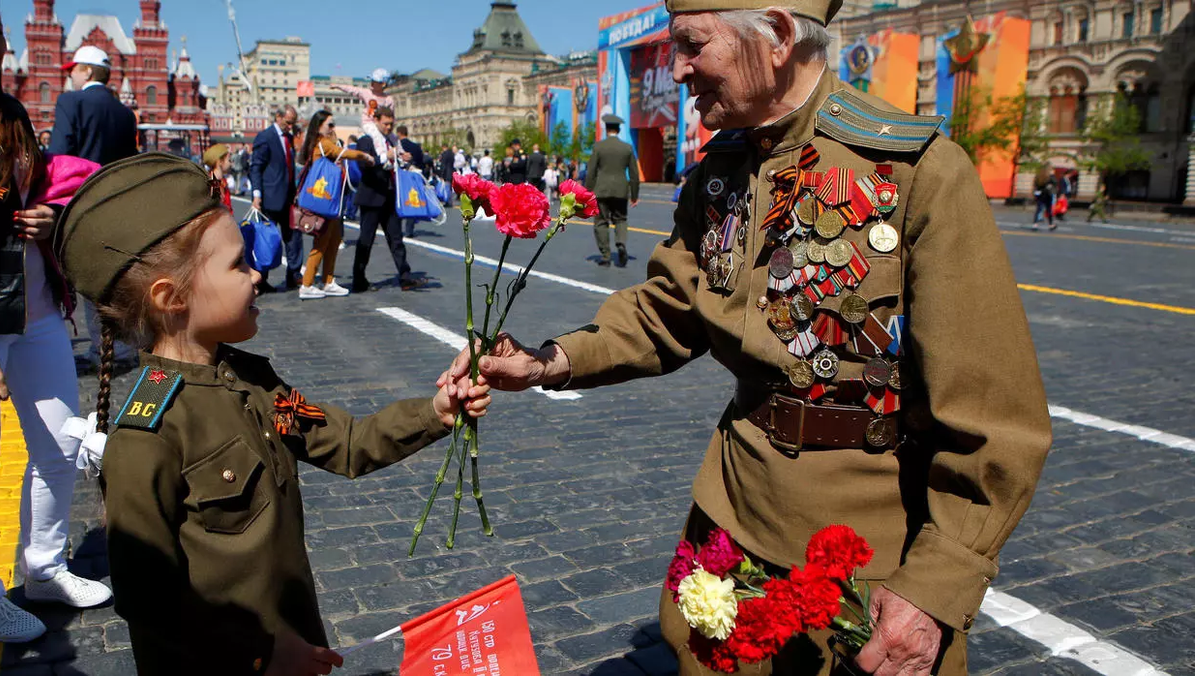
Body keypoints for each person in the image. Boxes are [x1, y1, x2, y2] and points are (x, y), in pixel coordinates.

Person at [445, 3, 1052, 675]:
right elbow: (670, 308)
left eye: (692, 46)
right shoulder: (721, 169)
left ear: (780, 36)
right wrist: (549, 361)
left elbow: (996, 419)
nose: (676, 70)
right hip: (731, 521)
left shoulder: (917, 173)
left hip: (865, 556)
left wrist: (939, 584)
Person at [54, 152, 489, 676]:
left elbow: (346, 442)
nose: (259, 273)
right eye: (238, 264)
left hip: (291, 645)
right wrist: (255, 651)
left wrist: (436, 411)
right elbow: (148, 598)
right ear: (172, 298)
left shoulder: (252, 379)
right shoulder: (149, 434)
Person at [0, 9, 114, 641]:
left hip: (37, 312)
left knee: (59, 448)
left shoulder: (11, 114)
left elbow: (46, 189)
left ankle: (42, 567)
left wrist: (51, 219)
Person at [49, 43, 140, 367]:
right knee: (116, 276)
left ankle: (102, 350)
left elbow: (59, 154)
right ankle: (125, 348)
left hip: (81, 204)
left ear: (86, 70)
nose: (71, 76)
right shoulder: (124, 113)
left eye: (73, 69)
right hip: (117, 204)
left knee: (86, 279)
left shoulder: (70, 102)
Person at [296, 110, 374, 300]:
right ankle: (307, 284)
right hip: (324, 200)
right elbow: (343, 152)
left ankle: (328, 280)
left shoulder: (321, 142)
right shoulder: (323, 144)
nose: (333, 128)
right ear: (319, 126)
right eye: (330, 125)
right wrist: (364, 156)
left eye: (333, 124)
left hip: (327, 200)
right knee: (322, 242)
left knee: (332, 240)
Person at [352, 109, 428, 292]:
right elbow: (363, 164)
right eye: (385, 124)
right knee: (366, 240)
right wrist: (385, 157)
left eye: (391, 124)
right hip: (371, 197)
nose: (388, 127)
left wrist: (403, 158)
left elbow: (397, 162)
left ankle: (405, 277)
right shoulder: (366, 139)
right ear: (376, 120)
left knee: (396, 239)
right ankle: (359, 278)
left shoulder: (393, 141)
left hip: (389, 196)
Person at [250, 105, 303, 293]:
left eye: (293, 123)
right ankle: (262, 279)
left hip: (289, 197)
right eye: (288, 122)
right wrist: (256, 195)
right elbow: (256, 167)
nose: (290, 126)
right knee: (268, 240)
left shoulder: (288, 138)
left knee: (294, 236)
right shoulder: (265, 137)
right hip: (270, 198)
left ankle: (294, 273)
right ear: (278, 117)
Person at [585, 113, 640, 267]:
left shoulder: (598, 147)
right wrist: (634, 195)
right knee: (621, 219)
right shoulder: (627, 148)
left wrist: (588, 192)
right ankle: (620, 243)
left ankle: (605, 255)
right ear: (618, 129)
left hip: (601, 190)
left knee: (601, 222)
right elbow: (634, 174)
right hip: (621, 190)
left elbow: (591, 172)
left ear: (606, 128)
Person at [331, 69, 398, 170]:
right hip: (369, 123)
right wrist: (338, 86)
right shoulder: (367, 93)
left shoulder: (388, 99)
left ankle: (401, 159)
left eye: (374, 81)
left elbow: (391, 116)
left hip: (381, 125)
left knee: (394, 139)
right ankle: (384, 159)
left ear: (383, 84)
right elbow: (353, 90)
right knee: (377, 137)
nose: (371, 83)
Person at [393, 124, 426, 238]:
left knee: (399, 200)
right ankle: (409, 230)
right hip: (413, 176)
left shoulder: (396, 146)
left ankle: (396, 228)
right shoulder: (415, 146)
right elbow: (422, 162)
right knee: (412, 200)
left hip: (400, 176)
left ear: (399, 133)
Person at [202, 144, 234, 211]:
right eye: (229, 160)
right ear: (220, 162)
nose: (231, 163)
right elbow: (216, 209)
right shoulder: (214, 182)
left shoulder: (221, 180)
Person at [1032, 165, 1056, 231]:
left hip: (1040, 194)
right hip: (1047, 195)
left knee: (1038, 210)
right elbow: (1055, 183)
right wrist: (1052, 175)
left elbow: (1036, 185)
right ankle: (1051, 225)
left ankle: (1035, 224)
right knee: (1049, 210)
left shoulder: (1038, 177)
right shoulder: (1050, 177)